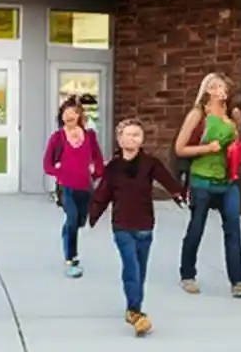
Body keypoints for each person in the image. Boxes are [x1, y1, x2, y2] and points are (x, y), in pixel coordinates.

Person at [89, 118, 185, 337]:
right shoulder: (113, 167)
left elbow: (168, 181)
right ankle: (136, 312)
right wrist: (93, 215)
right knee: (131, 267)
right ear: (119, 138)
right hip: (122, 225)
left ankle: (133, 308)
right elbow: (103, 193)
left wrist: (179, 195)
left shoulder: (150, 163)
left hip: (145, 224)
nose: (133, 138)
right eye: (129, 134)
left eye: (137, 135)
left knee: (140, 270)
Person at [173, 72, 241, 297]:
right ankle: (187, 275)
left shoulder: (231, 115)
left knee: (233, 230)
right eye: (215, 86)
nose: (221, 89)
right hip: (202, 181)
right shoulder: (198, 115)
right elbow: (179, 148)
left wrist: (236, 148)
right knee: (196, 227)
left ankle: (237, 281)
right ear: (208, 90)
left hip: (227, 182)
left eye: (223, 86)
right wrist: (206, 149)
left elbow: (236, 146)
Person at [42, 96, 106, 278]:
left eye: (73, 113)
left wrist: (95, 174)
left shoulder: (90, 136)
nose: (69, 117)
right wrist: (60, 174)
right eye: (66, 114)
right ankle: (71, 258)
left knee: (79, 222)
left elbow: (98, 160)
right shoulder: (57, 138)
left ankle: (67, 233)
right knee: (72, 219)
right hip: (66, 187)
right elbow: (47, 164)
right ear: (61, 117)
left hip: (85, 187)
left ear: (79, 116)